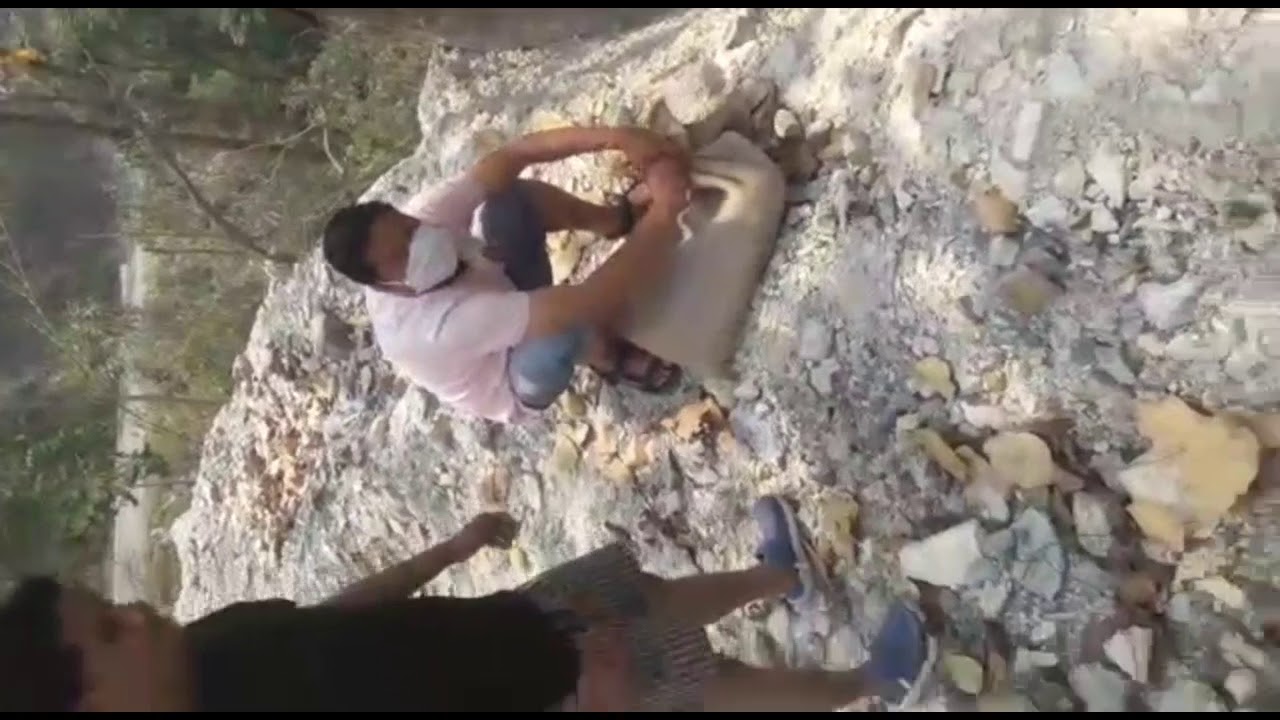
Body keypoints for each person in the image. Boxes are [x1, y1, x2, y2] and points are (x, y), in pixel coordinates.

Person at [0, 495, 932, 712]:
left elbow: (333, 614)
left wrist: (446, 551)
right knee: (716, 684)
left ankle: (781, 578)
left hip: (507, 623)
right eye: (111, 630)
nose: (140, 612)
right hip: (558, 693)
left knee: (645, 594)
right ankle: (872, 680)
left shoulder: (205, 648)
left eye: (113, 600)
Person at [322, 126, 693, 424]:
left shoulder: (424, 216)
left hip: (501, 292)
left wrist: (618, 137)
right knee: (564, 332)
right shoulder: (433, 329)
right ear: (383, 283)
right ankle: (609, 358)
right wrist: (666, 214)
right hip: (512, 373)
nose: (416, 240)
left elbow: (515, 155)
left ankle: (614, 221)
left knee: (511, 201)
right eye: (401, 253)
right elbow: (586, 303)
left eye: (407, 228)